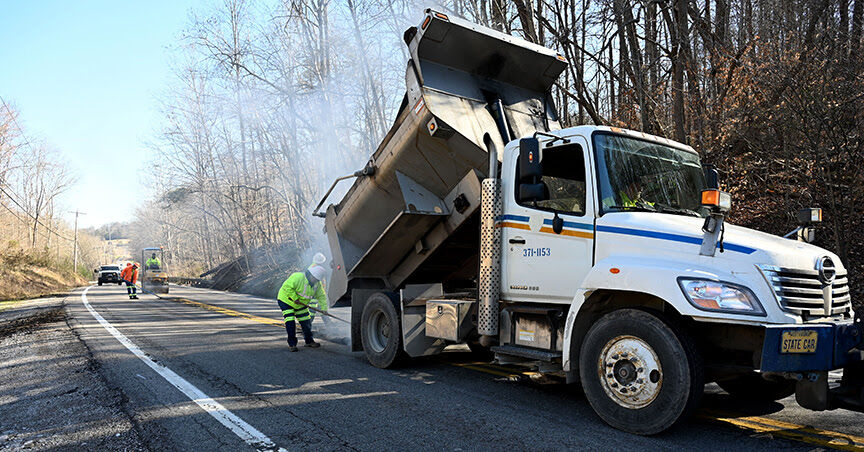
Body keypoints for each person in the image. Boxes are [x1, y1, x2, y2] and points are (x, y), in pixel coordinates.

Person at [276, 263, 328, 352]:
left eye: (317, 280)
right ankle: (292, 344)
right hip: (286, 300)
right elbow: (287, 287)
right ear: (311, 275)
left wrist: (324, 309)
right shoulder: (298, 277)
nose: (316, 281)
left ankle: (309, 341)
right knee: (290, 321)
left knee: (306, 322)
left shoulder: (317, 284)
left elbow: (322, 296)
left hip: (300, 304)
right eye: (315, 279)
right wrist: (295, 298)